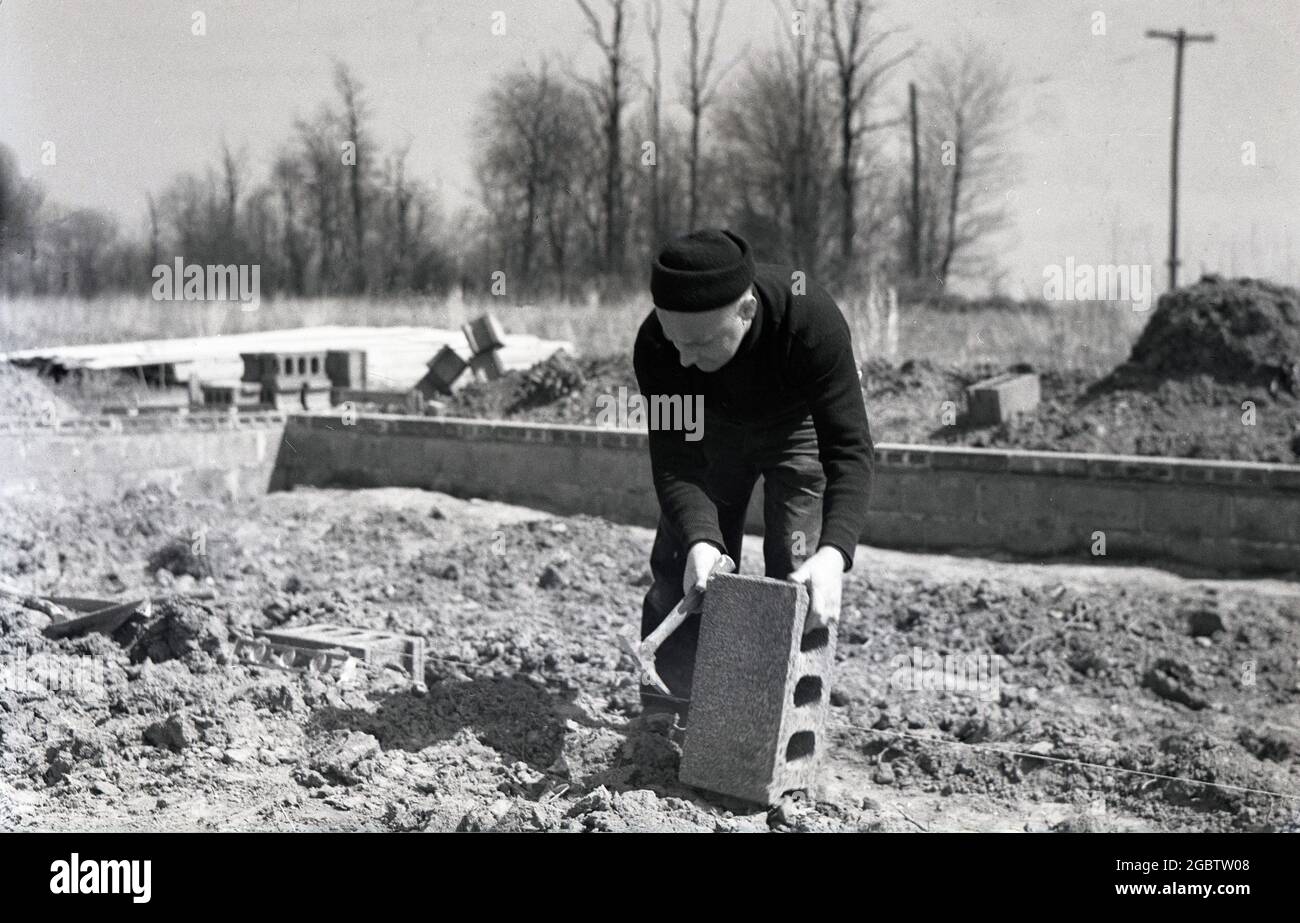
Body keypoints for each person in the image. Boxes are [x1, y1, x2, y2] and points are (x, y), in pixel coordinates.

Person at [633, 228, 874, 717]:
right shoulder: (661, 347)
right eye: (674, 339)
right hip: (709, 431)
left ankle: (778, 726)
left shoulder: (810, 321)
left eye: (698, 342)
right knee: (686, 566)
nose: (682, 358)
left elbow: (849, 448)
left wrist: (833, 555)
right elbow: (676, 462)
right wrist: (702, 538)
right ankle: (669, 715)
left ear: (745, 312)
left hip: (794, 425)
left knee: (796, 576)